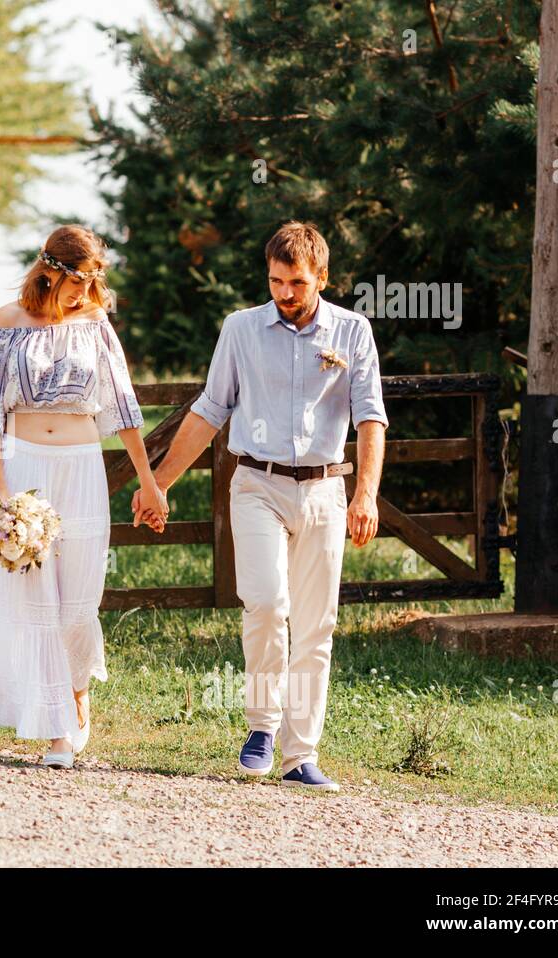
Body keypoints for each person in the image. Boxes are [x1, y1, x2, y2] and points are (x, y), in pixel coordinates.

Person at [134, 221, 388, 791]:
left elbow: (371, 417)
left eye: (296, 282)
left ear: (322, 277)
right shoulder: (240, 329)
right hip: (257, 484)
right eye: (275, 281)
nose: (285, 293)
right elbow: (209, 410)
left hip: (325, 488)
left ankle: (302, 755)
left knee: (316, 624)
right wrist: (161, 483)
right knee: (268, 604)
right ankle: (262, 727)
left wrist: (366, 494)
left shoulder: (352, 332)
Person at [0, 224, 167, 769]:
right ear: (48, 271)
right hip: (25, 466)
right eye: (76, 282)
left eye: (92, 282)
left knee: (77, 602)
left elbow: (122, 406)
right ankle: (56, 728)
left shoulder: (95, 324)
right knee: (36, 600)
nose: (83, 294)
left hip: (81, 470)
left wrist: (148, 480)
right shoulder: (5, 322)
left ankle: (78, 693)